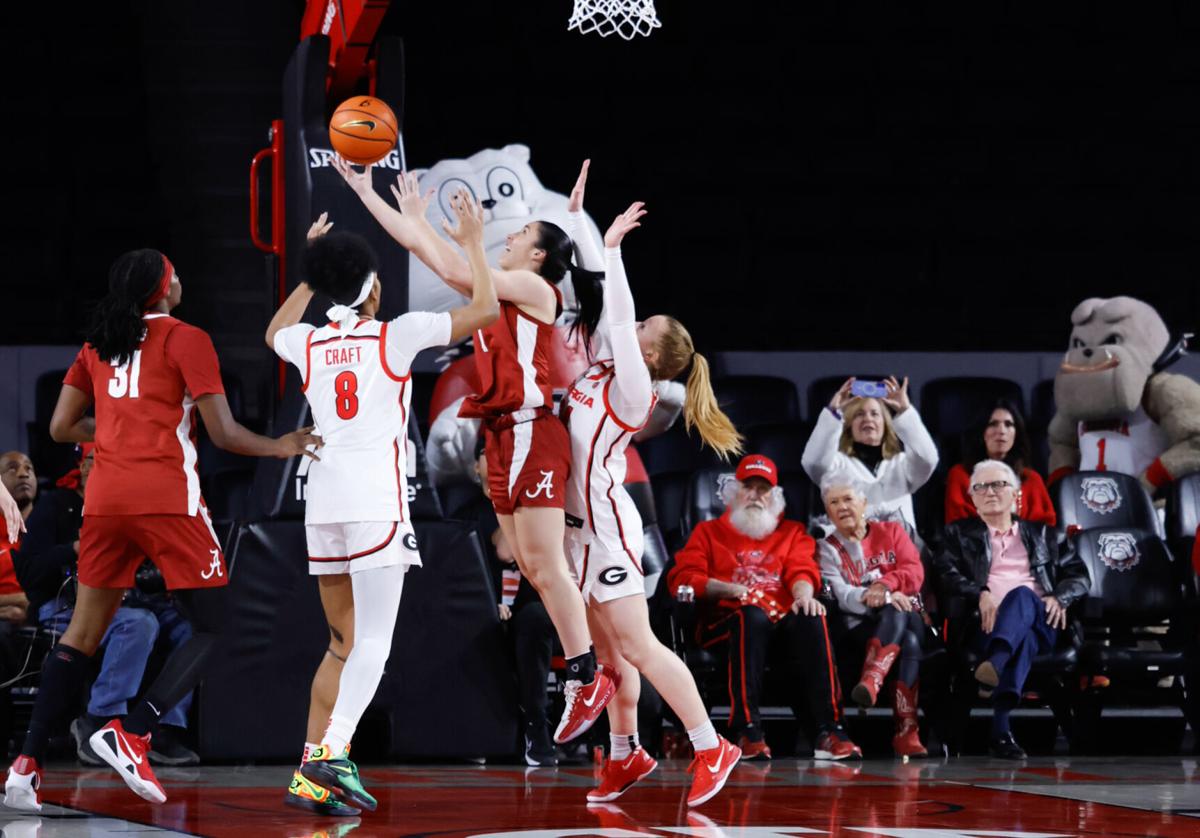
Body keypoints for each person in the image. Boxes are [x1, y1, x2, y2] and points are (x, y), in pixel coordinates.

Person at [4, 248, 319, 812]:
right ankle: (137, 729)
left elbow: (59, 426)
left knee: (80, 635)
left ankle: (24, 770)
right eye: (177, 272)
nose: (182, 278)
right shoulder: (185, 338)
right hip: (166, 499)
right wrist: (281, 445)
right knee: (214, 623)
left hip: (104, 502)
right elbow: (222, 434)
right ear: (164, 287)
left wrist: (119, 428)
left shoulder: (98, 343)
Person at [336, 157, 618, 742]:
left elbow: (462, 272)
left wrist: (454, 238)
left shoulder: (537, 288)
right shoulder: (501, 282)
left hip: (534, 430)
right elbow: (443, 263)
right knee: (531, 566)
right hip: (501, 434)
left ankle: (587, 674)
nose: (509, 235)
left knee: (544, 564)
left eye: (519, 234)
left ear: (539, 255)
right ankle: (590, 667)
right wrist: (375, 199)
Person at [266, 196, 499, 815]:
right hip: (374, 500)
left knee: (342, 641)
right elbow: (485, 309)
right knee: (374, 641)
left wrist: (307, 275)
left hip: (323, 504)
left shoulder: (309, 343)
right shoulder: (398, 334)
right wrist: (474, 241)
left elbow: (271, 333)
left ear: (325, 289)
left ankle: (308, 771)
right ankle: (332, 753)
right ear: (373, 293)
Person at [560, 192, 743, 807]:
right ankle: (623, 754)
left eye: (643, 330)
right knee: (611, 654)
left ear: (652, 355)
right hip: (576, 525)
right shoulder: (611, 366)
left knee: (638, 645)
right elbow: (610, 306)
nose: (632, 327)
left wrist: (611, 247)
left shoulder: (638, 386)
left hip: (609, 523)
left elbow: (617, 310)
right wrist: (583, 224)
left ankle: (710, 744)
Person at [668, 454, 862, 762]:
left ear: (775, 497)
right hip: (726, 623)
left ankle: (831, 730)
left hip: (780, 622)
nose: (756, 495)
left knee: (812, 617)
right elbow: (684, 577)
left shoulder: (792, 533)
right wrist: (731, 589)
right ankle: (747, 729)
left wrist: (803, 596)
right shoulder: (708, 533)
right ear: (734, 492)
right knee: (751, 617)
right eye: (749, 487)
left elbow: (802, 571)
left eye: (764, 489)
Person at [15, 444, 198, 767]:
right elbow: (29, 570)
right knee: (138, 624)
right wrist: (73, 548)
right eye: (100, 461)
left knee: (191, 629)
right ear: (83, 468)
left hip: (130, 597)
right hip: (65, 604)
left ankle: (164, 726)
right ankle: (100, 720)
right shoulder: (57, 505)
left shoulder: (129, 508)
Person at [931, 459, 1088, 759]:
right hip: (986, 624)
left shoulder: (1047, 535)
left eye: (998, 484)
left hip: (1045, 621)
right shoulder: (957, 535)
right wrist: (980, 593)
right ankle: (1001, 732)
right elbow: (945, 573)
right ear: (972, 498)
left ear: (1016, 495)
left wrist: (1059, 598)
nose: (989, 491)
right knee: (1023, 639)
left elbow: (1079, 576)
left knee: (1023, 596)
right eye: (981, 487)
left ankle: (996, 662)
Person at [817, 471, 927, 758]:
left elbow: (915, 573)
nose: (842, 507)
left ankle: (873, 678)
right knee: (909, 641)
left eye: (848, 499)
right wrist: (876, 596)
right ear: (827, 512)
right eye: (834, 503)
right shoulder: (827, 549)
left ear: (863, 503)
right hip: (860, 624)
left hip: (906, 616)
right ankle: (906, 730)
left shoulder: (892, 532)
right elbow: (840, 595)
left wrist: (885, 586)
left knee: (897, 609)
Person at [801, 378, 939, 533]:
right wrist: (834, 412)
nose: (868, 418)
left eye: (875, 414)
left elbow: (928, 459)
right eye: (859, 414)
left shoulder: (902, 464)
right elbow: (813, 463)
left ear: (886, 425)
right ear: (849, 426)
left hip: (901, 551)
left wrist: (905, 411)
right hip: (852, 551)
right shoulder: (836, 464)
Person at [945, 400, 1055, 526]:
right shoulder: (960, 475)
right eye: (993, 424)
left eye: (1008, 424)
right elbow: (958, 529)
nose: (1002, 431)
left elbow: (1046, 531)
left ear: (1016, 433)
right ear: (981, 432)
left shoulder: (1031, 479)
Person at [0, 453, 35, 625]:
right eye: (12, 468)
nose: (23, 473)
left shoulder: (52, 524)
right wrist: (19, 600)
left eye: (29, 468)